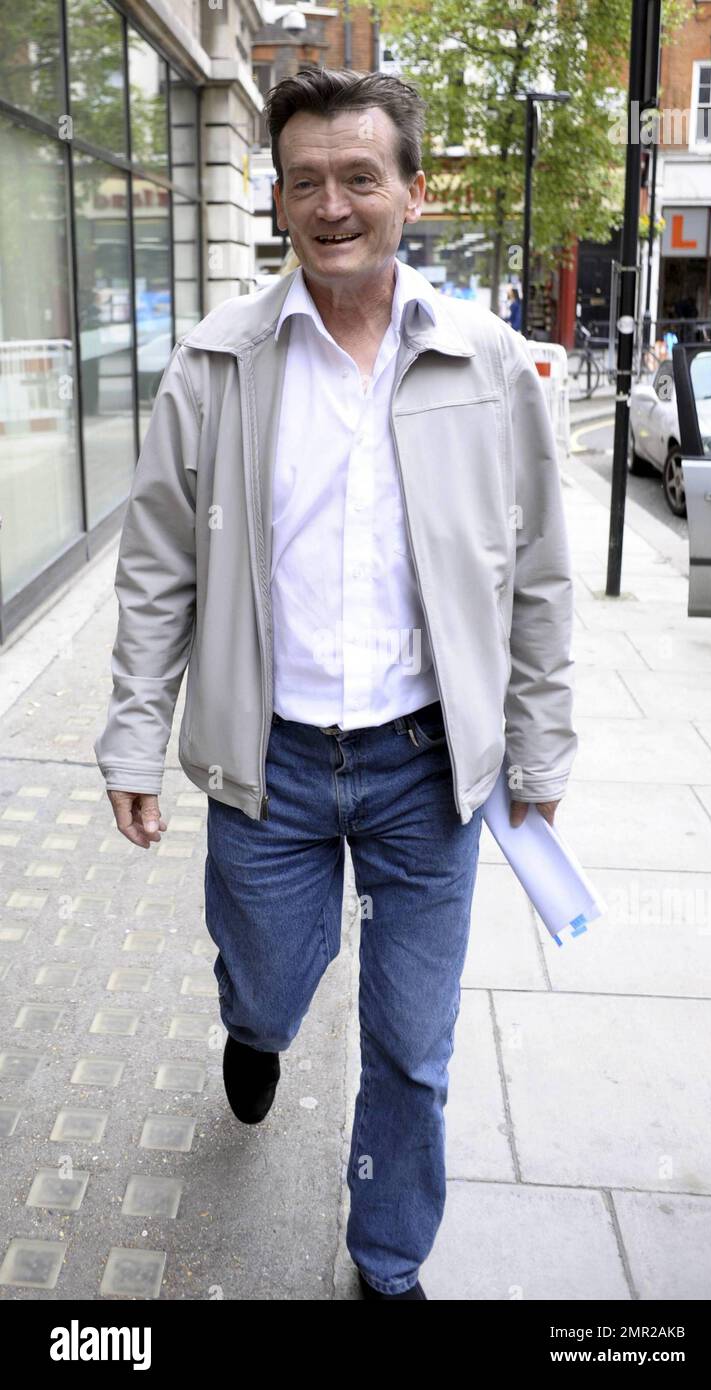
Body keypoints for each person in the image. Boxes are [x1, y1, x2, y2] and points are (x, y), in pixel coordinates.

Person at [94, 66, 577, 1301]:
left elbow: (536, 575)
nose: (331, 204)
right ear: (277, 198)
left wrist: (538, 753)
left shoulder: (486, 360)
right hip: (275, 761)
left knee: (413, 1048)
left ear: (412, 192)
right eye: (304, 179)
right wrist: (135, 738)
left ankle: (388, 1256)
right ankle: (251, 1031)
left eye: (359, 176)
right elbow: (156, 568)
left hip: (428, 767)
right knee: (268, 974)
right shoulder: (216, 365)